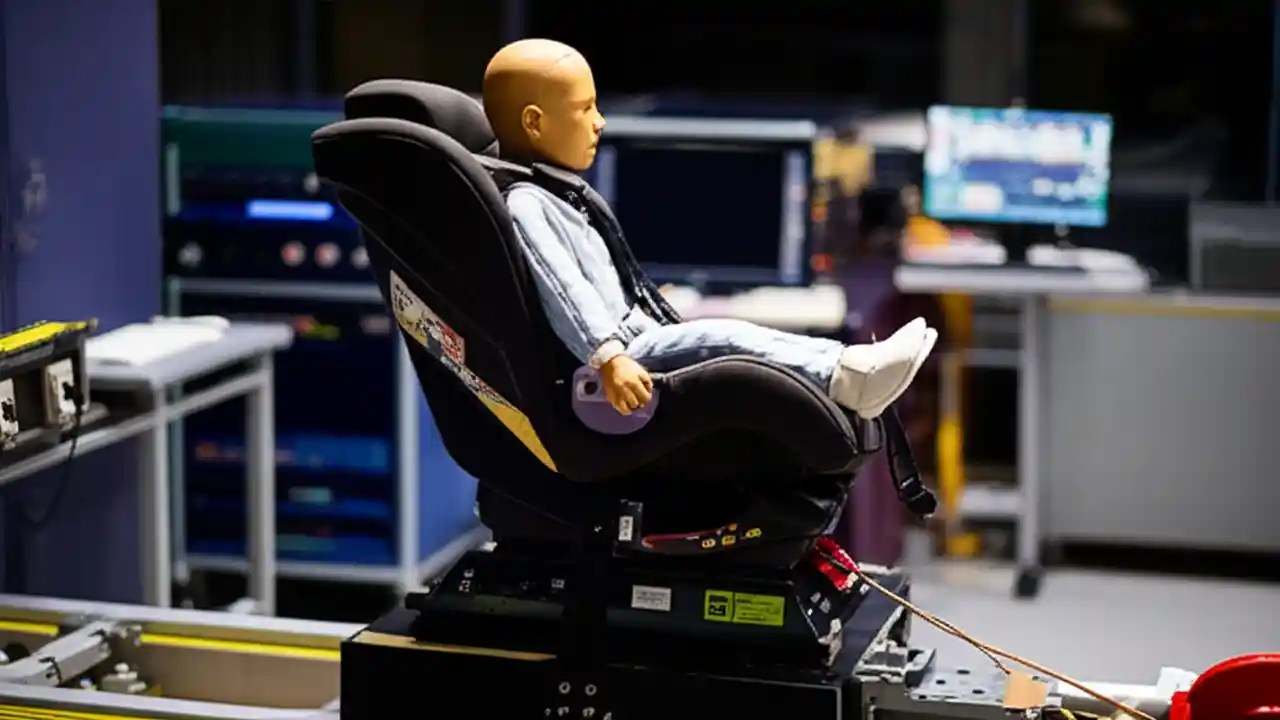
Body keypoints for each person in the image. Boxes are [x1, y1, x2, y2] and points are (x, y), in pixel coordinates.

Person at [482, 38, 937, 419]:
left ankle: (849, 369)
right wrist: (608, 357)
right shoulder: (528, 204)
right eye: (585, 109)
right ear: (535, 123)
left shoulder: (554, 195)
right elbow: (565, 288)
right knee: (721, 338)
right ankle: (849, 377)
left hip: (633, 338)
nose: (600, 121)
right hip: (619, 360)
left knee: (734, 335)